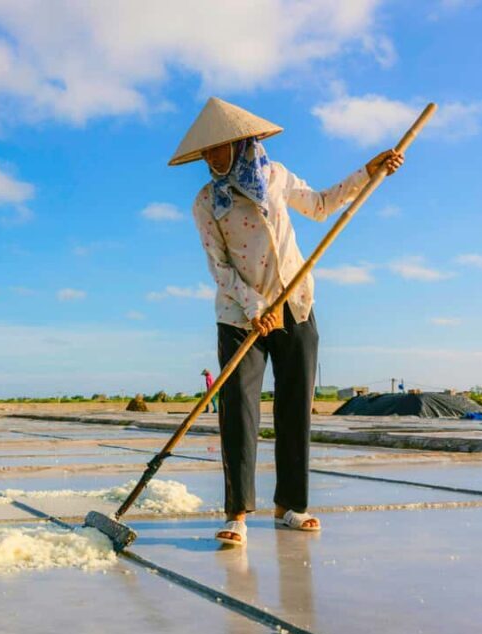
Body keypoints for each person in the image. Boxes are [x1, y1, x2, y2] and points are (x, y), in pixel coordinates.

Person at [169, 97, 403, 545]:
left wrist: (368, 173)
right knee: (238, 410)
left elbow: (319, 204)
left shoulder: (276, 177)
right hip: (241, 315)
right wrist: (256, 307)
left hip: (295, 304)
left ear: (242, 143)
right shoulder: (205, 202)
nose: (211, 158)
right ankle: (237, 512)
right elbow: (219, 267)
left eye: (219, 148)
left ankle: (290, 506)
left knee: (295, 406)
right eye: (206, 152)